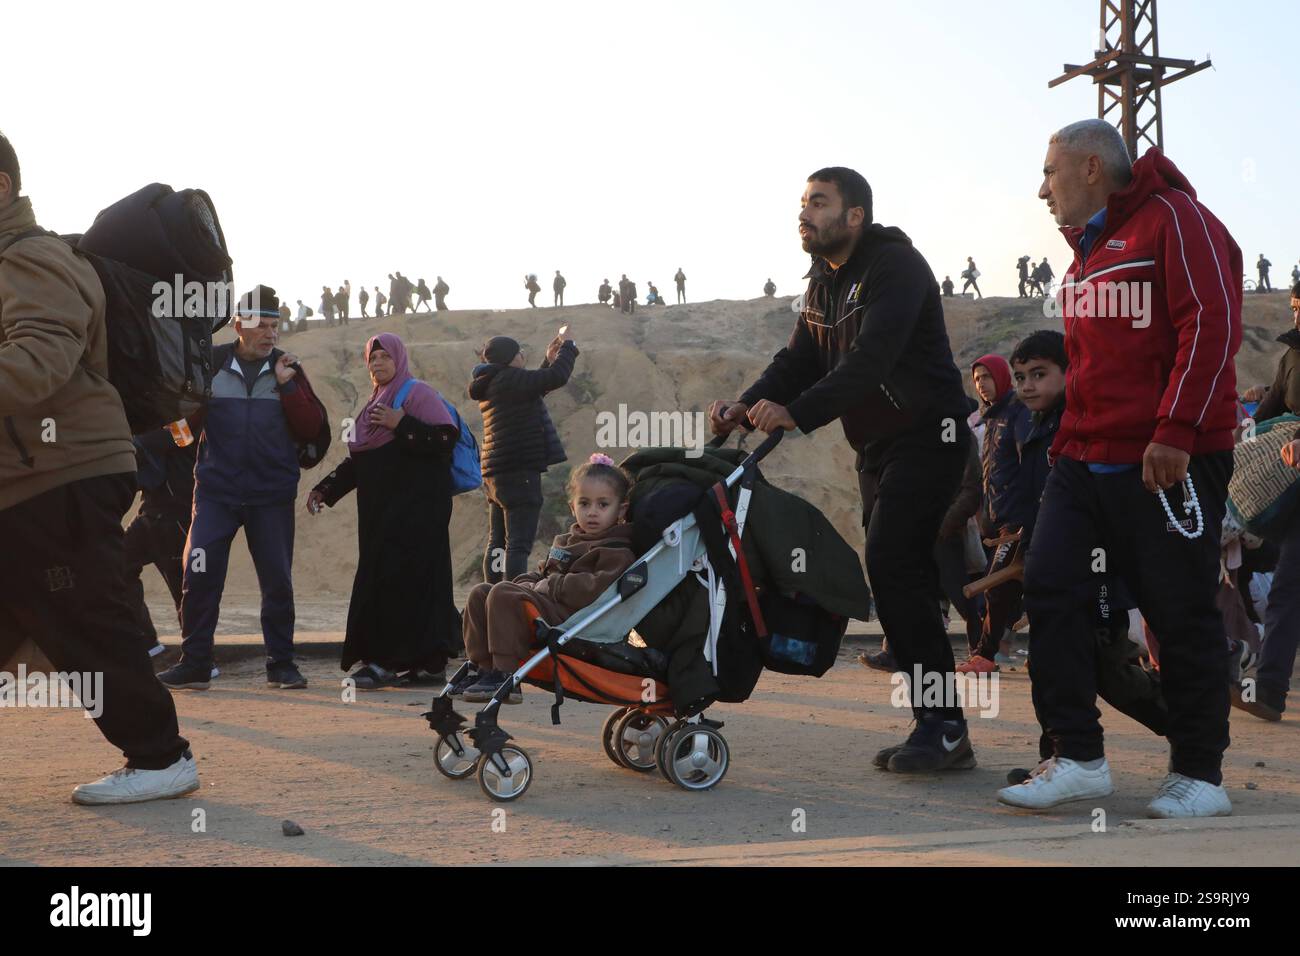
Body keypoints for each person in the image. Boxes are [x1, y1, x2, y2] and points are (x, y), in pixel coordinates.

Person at [997, 119, 1242, 818]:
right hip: (1083, 456)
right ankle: (1076, 756)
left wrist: (1176, 430)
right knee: (1048, 589)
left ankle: (1200, 775)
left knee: (1177, 608)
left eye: (1050, 172)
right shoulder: (1085, 255)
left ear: (1092, 169)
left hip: (1164, 457)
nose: (1041, 188)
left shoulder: (1175, 219)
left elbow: (1212, 323)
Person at [710, 165, 974, 773]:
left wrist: (795, 415)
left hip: (928, 437)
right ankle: (938, 727)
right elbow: (798, 358)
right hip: (877, 446)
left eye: (819, 203)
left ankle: (945, 727)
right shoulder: (821, 284)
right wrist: (743, 408)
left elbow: (870, 361)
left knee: (892, 565)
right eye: (803, 203)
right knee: (893, 575)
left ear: (854, 215)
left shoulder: (895, 268)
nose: (804, 213)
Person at [0, 130, 199, 804]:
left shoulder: (32, 260)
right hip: (26, 479)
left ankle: (160, 757)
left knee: (88, 616)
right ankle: (156, 752)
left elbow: (36, 365)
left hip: (63, 472)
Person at [158, 286, 325, 691]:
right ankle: (196, 661)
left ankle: (281, 665)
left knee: (277, 581)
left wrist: (287, 387)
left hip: (271, 495)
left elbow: (312, 430)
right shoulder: (211, 364)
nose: (270, 333)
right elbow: (182, 432)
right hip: (216, 493)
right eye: (261, 325)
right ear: (239, 325)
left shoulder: (288, 368)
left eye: (274, 325)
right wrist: (174, 424)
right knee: (198, 574)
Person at [307, 333, 462, 689]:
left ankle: (386, 664)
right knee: (391, 581)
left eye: (384, 357)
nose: (377, 363)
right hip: (382, 516)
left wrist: (401, 424)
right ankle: (426, 663)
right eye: (372, 358)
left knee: (409, 583)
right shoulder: (374, 403)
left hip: (419, 514)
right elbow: (361, 462)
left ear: (399, 359)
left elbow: (445, 438)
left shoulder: (417, 393)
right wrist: (326, 488)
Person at [451, 454, 637, 702]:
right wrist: (528, 581)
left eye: (603, 505)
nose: (592, 512)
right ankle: (482, 667)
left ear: (621, 509)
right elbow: (543, 571)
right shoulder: (566, 541)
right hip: (548, 601)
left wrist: (550, 585)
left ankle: (505, 672)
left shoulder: (616, 549)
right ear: (572, 506)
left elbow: (595, 589)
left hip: (573, 617)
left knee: (503, 593)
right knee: (482, 592)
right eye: (584, 504)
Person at [1233, 281, 1300, 720]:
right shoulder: (1291, 356)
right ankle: (1271, 690)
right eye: (1295, 305)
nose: (1298, 313)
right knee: (1287, 588)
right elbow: (1272, 412)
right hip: (1296, 486)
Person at [470, 332, 577, 583]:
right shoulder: (509, 378)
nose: (522, 356)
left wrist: (548, 360)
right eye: (519, 353)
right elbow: (557, 377)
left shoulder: (493, 381)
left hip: (495, 474)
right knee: (518, 543)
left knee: (497, 542)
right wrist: (568, 346)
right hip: (519, 472)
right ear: (509, 358)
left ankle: (492, 591)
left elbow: (534, 388)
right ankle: (510, 597)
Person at [960, 353, 1031, 673]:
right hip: (997, 518)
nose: (982, 385)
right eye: (977, 380)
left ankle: (985, 655)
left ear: (1001, 377)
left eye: (987, 378)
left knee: (996, 587)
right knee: (1013, 589)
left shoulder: (1018, 412)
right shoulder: (989, 417)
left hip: (1018, 519)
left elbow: (1026, 464)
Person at [124, 427, 198, 657]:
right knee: (114, 567)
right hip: (149, 514)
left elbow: (180, 435)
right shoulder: (156, 415)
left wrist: (131, 440)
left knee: (184, 593)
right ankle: (148, 644)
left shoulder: (189, 421)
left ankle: (199, 658)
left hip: (176, 518)